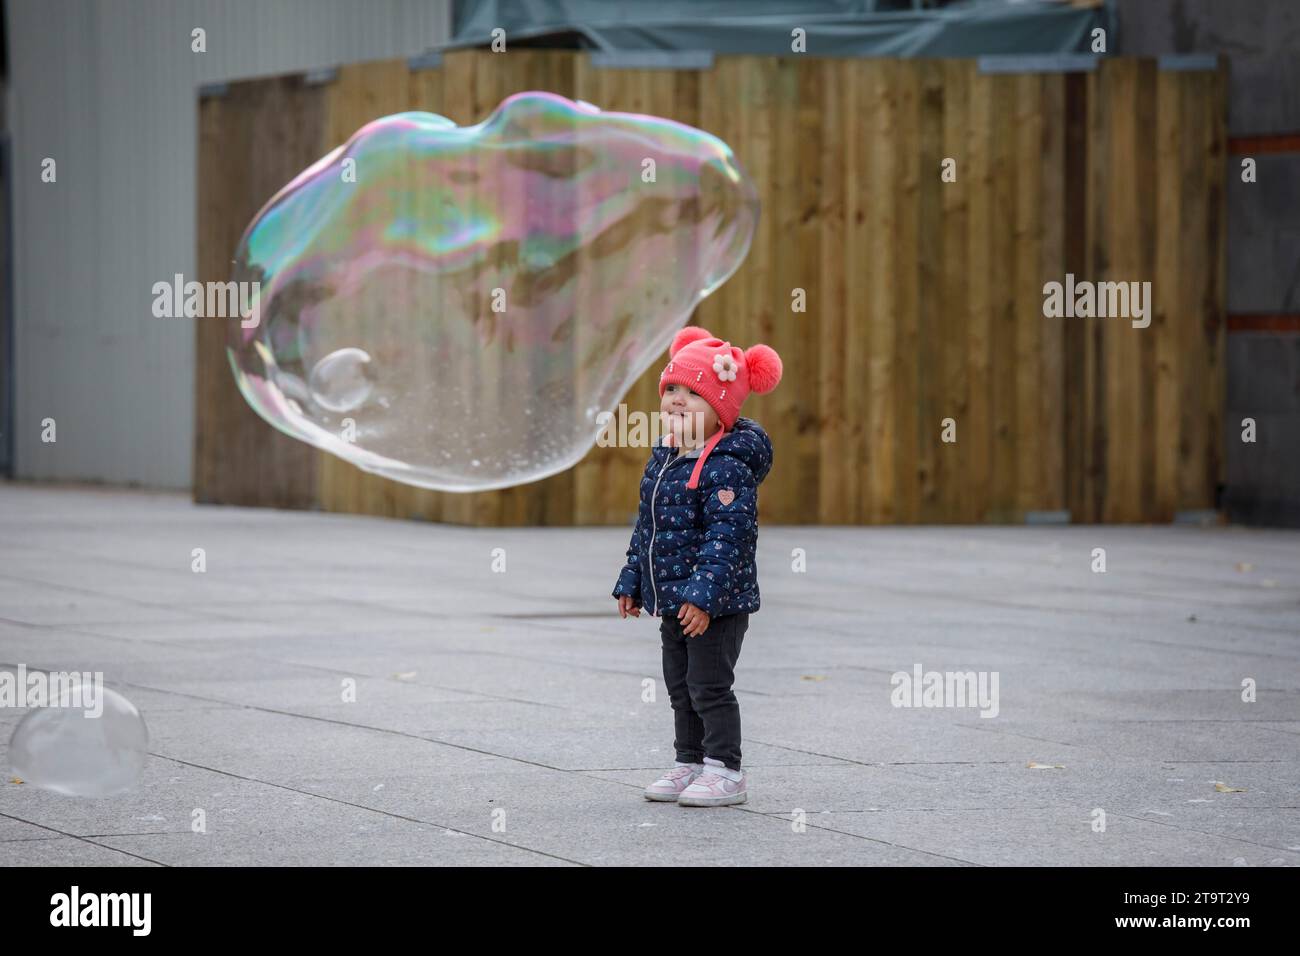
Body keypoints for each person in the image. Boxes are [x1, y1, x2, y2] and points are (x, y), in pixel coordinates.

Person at [612, 325, 782, 807]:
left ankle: (726, 771)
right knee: (680, 687)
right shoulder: (665, 459)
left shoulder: (728, 466)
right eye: (671, 392)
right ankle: (689, 761)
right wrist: (632, 580)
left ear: (721, 412)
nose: (677, 402)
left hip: (716, 604)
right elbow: (646, 527)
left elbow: (729, 539)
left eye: (693, 394)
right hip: (673, 599)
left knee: (710, 685)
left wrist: (702, 597)